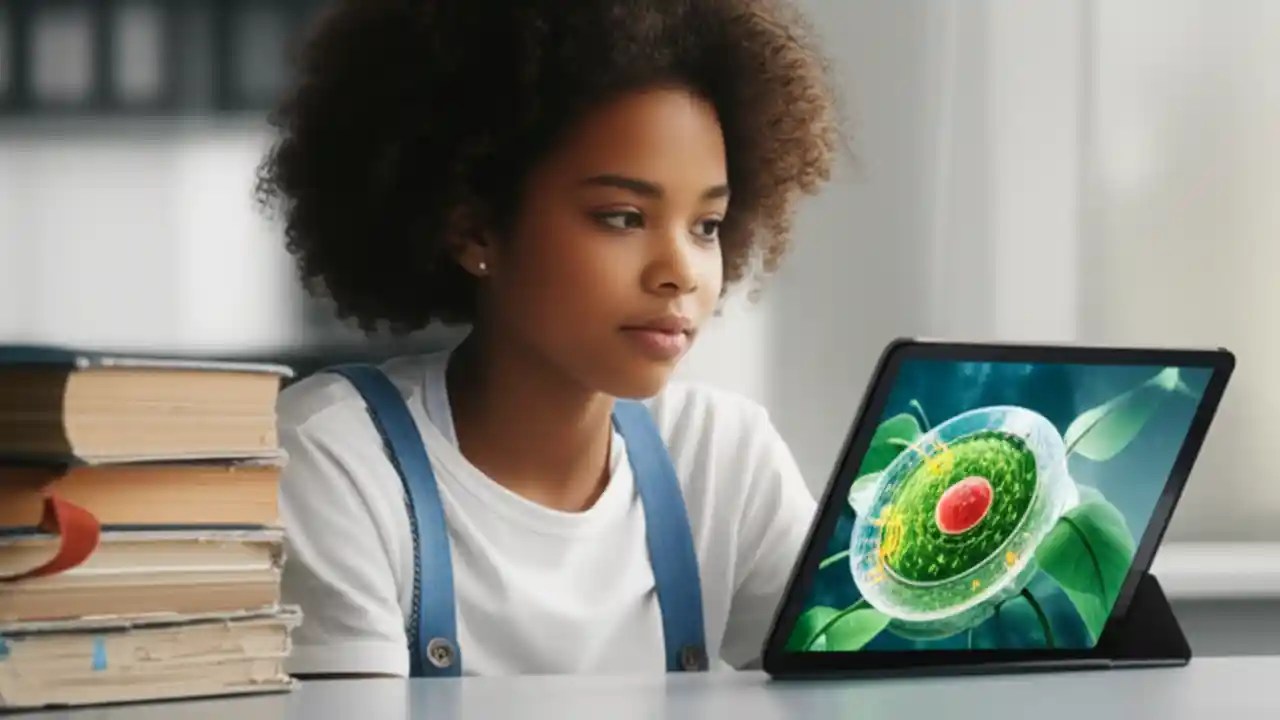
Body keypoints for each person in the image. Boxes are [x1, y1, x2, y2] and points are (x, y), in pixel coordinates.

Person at [255, 0, 839, 678]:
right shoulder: (335, 457)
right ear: (475, 231)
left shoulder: (721, 455)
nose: (680, 271)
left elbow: (858, 682)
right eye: (622, 217)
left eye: (706, 226)